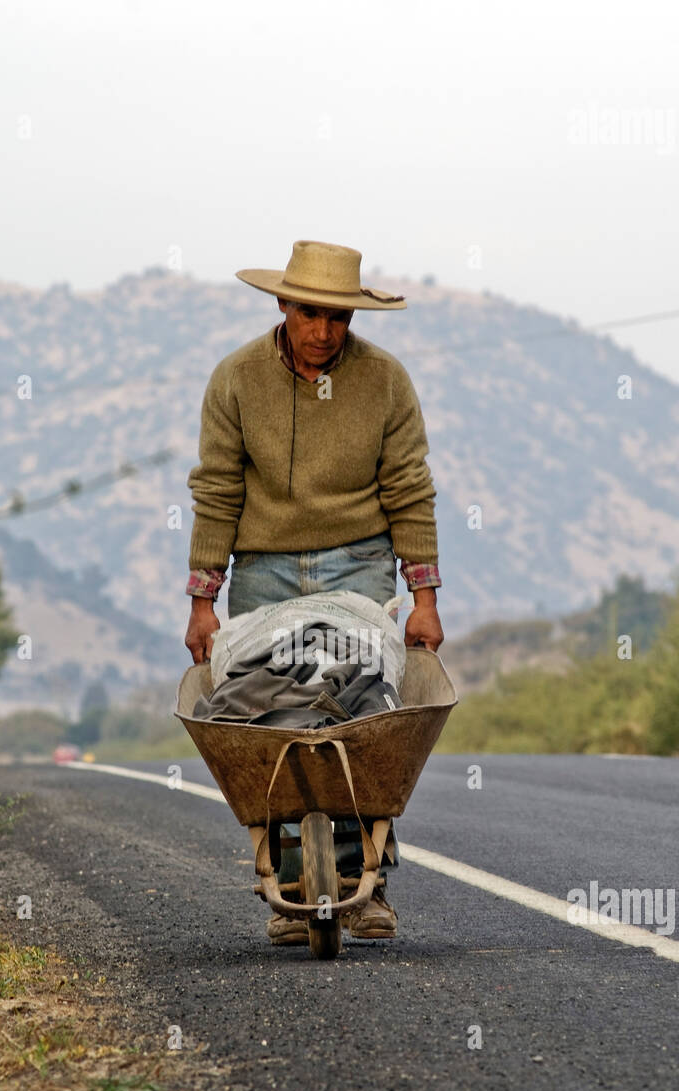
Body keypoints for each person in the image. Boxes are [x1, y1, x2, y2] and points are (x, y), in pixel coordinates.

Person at [185, 239, 444, 944]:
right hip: (264, 567)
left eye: (338, 318)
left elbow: (409, 491)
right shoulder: (235, 379)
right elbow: (217, 490)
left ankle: (364, 886)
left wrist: (423, 597)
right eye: (310, 314)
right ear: (282, 305)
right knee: (271, 710)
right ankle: (296, 886)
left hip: (358, 563)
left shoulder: (386, 382)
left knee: (360, 709)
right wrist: (203, 600)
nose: (324, 332)